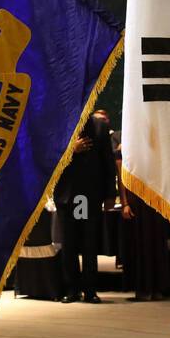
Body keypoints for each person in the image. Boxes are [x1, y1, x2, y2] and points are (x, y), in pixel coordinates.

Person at [54, 112, 117, 303]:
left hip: (91, 194)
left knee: (90, 243)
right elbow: (49, 157)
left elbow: (108, 161)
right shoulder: (60, 123)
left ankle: (90, 290)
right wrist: (70, 150)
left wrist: (110, 194)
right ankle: (72, 289)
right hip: (67, 195)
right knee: (69, 244)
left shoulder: (100, 127)